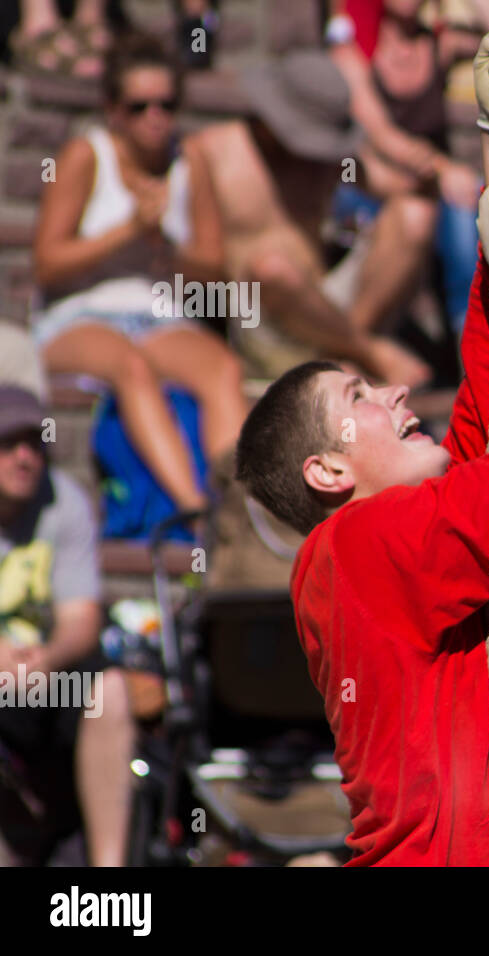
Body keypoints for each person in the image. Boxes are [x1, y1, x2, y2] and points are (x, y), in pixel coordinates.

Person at [233, 22, 489, 865]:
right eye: (360, 397)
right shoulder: (359, 551)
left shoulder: (403, 538)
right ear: (327, 469)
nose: (398, 390)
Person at [30, 33, 247, 514]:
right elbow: (47, 264)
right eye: (139, 105)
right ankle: (195, 509)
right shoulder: (85, 156)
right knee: (131, 367)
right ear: (113, 109)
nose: (156, 117)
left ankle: (237, 513)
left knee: (223, 370)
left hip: (159, 314)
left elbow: (214, 271)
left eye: (167, 104)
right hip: (80, 313)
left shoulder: (190, 161)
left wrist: (166, 249)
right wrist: (128, 230)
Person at [191, 49, 435, 386]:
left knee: (415, 215)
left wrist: (428, 170)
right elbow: (200, 261)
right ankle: (369, 352)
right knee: (273, 268)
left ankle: (345, 352)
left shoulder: (331, 160)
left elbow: (397, 188)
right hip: (263, 320)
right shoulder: (213, 152)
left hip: (332, 307)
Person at [0, 385, 134, 866]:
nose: (24, 457)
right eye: (9, 444)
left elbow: (82, 619)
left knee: (111, 689)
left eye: (34, 445)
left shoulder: (65, 502)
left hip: (44, 676)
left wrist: (45, 660)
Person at [326, 0, 488, 338]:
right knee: (440, 202)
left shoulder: (440, 43)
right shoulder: (352, 51)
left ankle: (472, 343)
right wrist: (444, 169)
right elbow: (382, 135)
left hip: (429, 188)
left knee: (466, 208)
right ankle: (359, 343)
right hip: (369, 187)